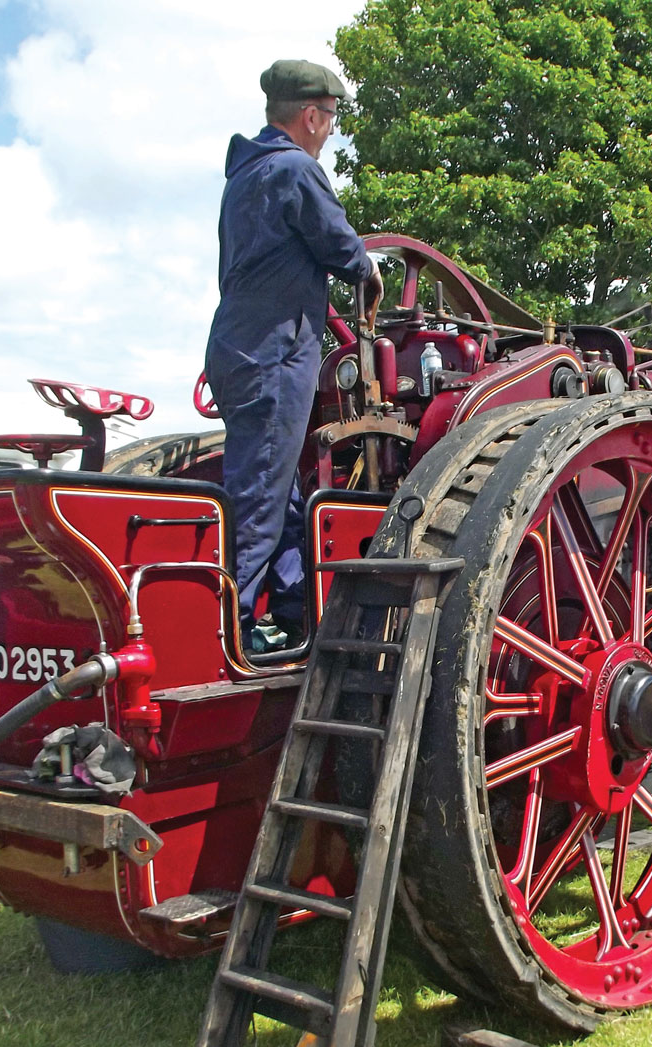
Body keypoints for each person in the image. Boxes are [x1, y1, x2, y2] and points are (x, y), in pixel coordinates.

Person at [205, 59, 382, 653]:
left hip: (234, 350)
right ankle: (232, 635)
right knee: (258, 495)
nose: (330, 131)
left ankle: (291, 610)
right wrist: (369, 270)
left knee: (279, 494)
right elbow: (340, 247)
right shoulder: (295, 170)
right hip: (274, 354)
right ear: (310, 115)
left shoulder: (243, 177)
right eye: (329, 119)